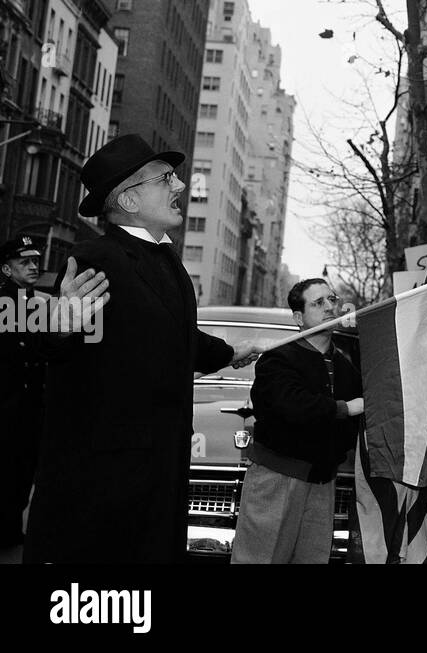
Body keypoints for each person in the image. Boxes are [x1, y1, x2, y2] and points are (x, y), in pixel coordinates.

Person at [24, 134, 257, 564]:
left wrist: (227, 353)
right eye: (166, 178)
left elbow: (163, 336)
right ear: (129, 200)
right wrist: (59, 327)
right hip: (106, 484)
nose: (180, 187)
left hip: (158, 472)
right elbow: (54, 343)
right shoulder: (97, 259)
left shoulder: (164, 259)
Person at [231, 278, 363, 564]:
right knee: (259, 559)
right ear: (298, 318)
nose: (330, 307)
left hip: (323, 483)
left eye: (332, 299)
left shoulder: (345, 367)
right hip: (276, 481)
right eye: (318, 303)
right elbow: (292, 406)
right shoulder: (277, 359)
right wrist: (344, 409)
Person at [0, 234, 47, 547]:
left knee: (23, 472)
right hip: (6, 405)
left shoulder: (37, 303)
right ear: (6, 269)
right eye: (24, 262)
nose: (33, 266)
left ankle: (10, 529)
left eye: (35, 261)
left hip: (31, 406)